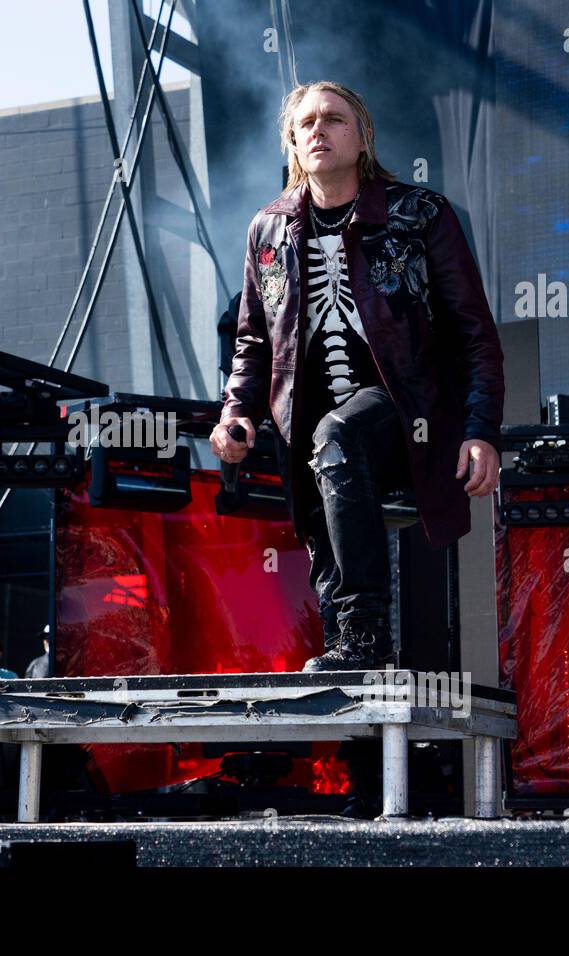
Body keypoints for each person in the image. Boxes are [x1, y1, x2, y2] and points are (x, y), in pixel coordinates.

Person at [211, 82, 504, 672]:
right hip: (312, 418)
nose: (319, 129)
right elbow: (252, 339)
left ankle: (366, 635)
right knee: (324, 462)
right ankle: (348, 647)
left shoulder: (419, 214)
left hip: (409, 411)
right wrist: (236, 411)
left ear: (363, 136)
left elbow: (473, 331)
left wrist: (481, 429)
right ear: (292, 142)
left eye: (335, 119)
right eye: (307, 123)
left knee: (336, 437)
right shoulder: (267, 230)